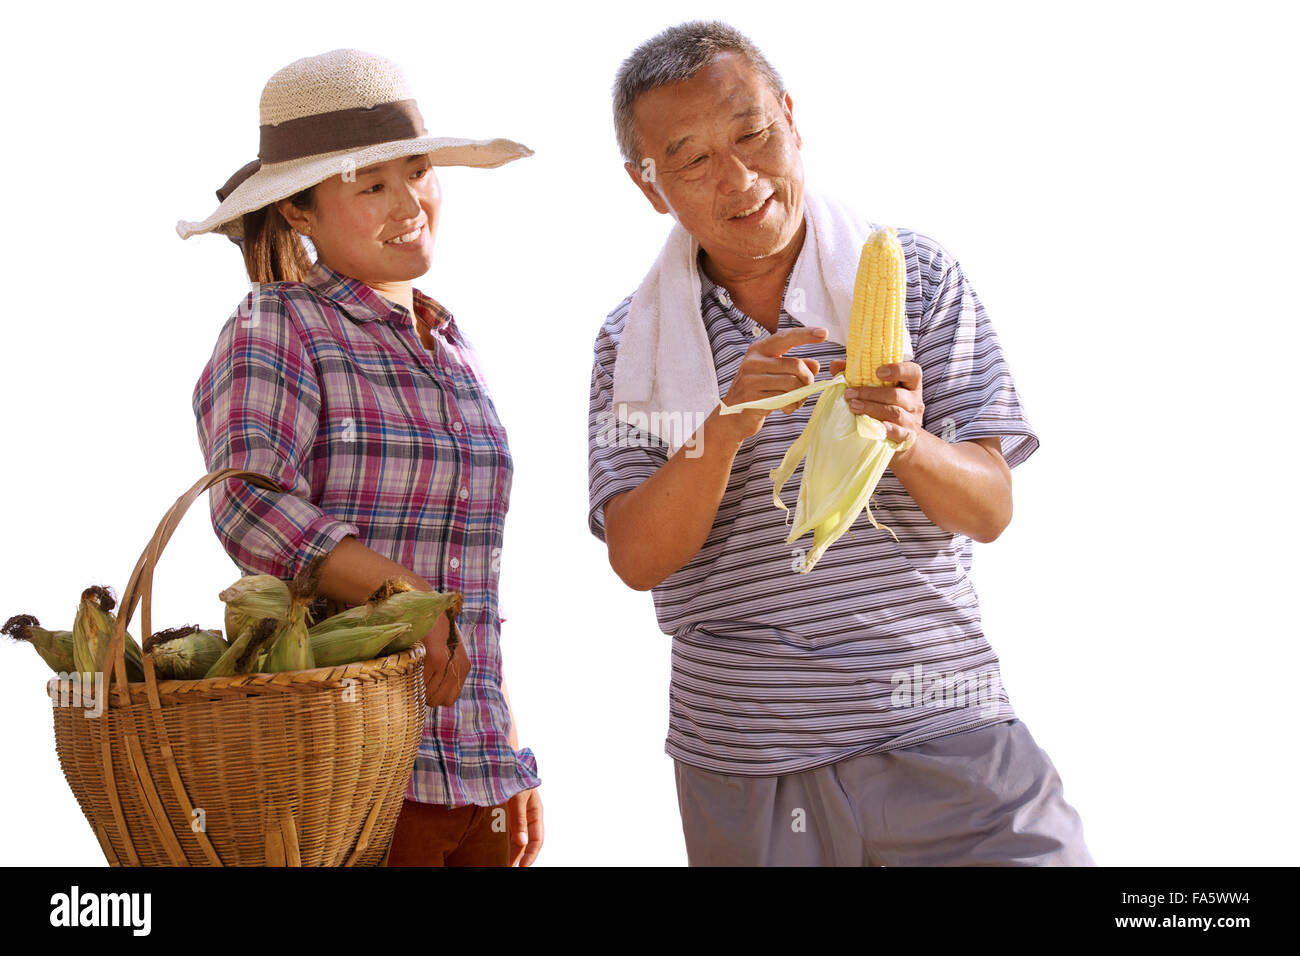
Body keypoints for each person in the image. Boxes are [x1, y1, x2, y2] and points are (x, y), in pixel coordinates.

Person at [588, 21, 1094, 866]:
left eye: (753, 134)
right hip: (747, 758)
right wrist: (726, 427)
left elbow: (992, 506)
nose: (741, 178)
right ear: (649, 186)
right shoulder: (629, 344)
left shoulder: (916, 277)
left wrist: (909, 439)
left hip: (944, 722)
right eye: (693, 159)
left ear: (791, 117)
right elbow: (637, 558)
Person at [178, 48, 543, 866]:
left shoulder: (451, 345)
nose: (409, 203)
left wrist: (509, 748)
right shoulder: (279, 326)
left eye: (417, 172)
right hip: (349, 769)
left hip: (473, 766)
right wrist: (404, 595)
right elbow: (248, 504)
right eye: (370, 185)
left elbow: (471, 572)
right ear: (300, 212)